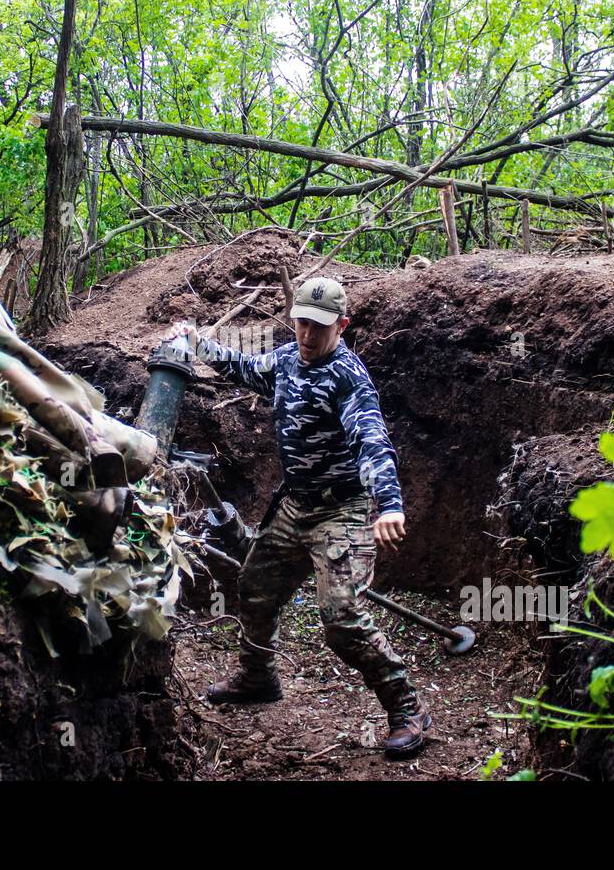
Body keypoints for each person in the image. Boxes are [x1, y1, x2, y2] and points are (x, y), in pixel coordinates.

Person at [167, 276, 432, 758]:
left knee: (342, 618)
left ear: (342, 326)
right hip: (295, 506)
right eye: (301, 324)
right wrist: (197, 342)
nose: (307, 336)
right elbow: (247, 368)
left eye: (319, 327)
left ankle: (407, 707)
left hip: (342, 509)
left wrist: (389, 504)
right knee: (254, 588)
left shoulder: (348, 378)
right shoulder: (288, 359)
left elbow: (372, 443)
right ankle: (258, 676)